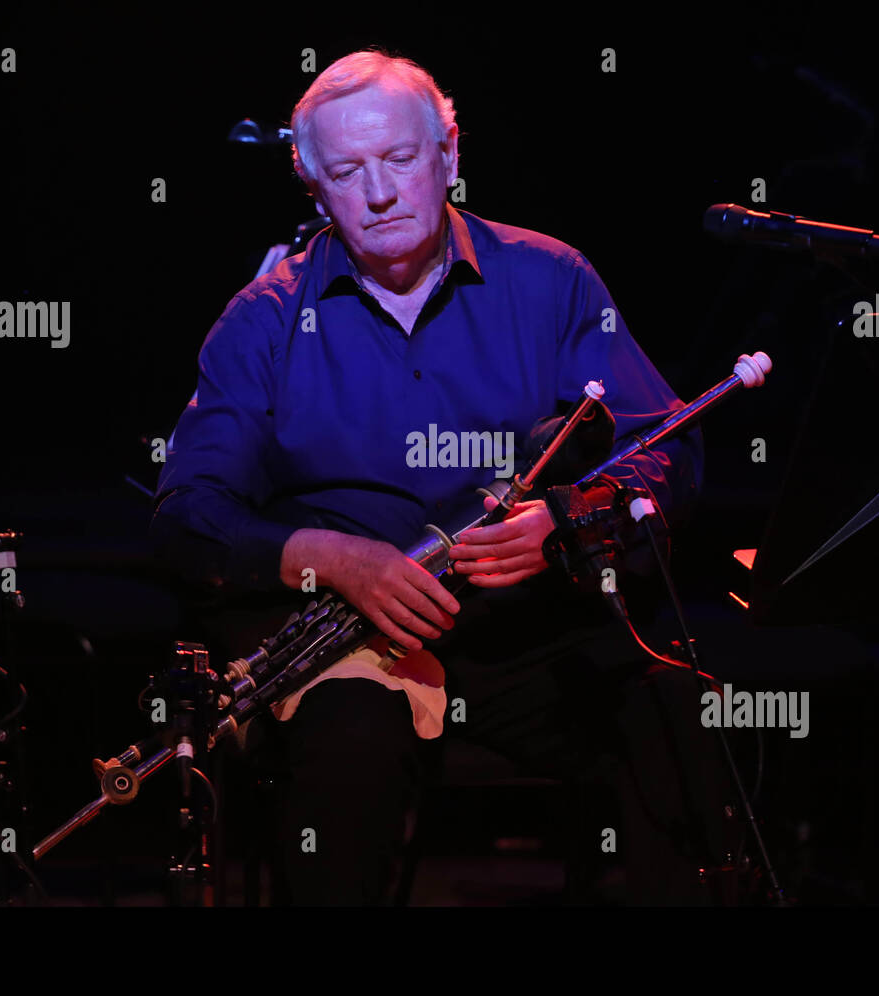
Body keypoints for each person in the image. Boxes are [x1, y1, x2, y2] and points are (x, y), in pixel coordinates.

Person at [151, 49, 728, 904]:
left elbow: (669, 446)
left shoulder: (551, 280)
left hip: (531, 633)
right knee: (346, 750)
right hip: (352, 641)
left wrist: (567, 521)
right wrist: (330, 557)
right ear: (313, 188)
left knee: (684, 715)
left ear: (450, 155)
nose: (378, 192)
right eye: (347, 172)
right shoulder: (264, 320)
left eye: (401, 159)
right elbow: (187, 516)